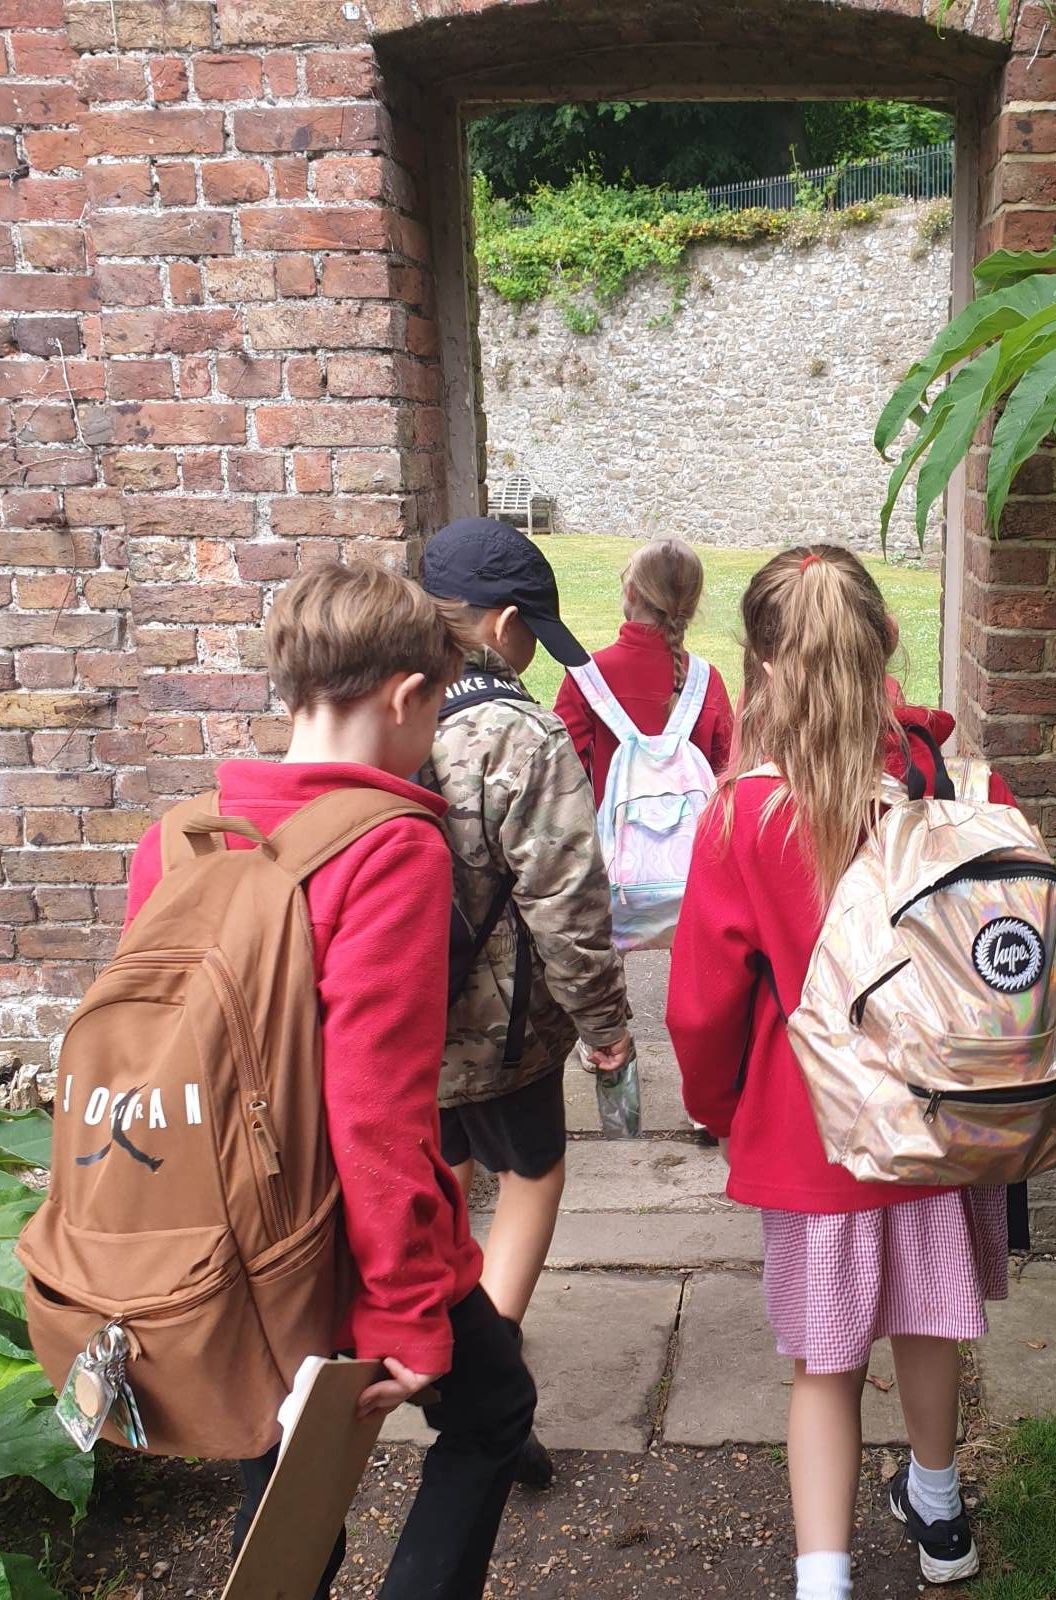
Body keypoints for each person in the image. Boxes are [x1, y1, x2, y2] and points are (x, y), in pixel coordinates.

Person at [122, 561, 537, 1600]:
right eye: (436, 703)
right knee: (488, 1414)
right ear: (405, 695)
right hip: (352, 1238)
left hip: (226, 1235)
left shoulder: (183, 837)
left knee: (285, 1465)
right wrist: (406, 1308)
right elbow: (375, 1107)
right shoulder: (389, 845)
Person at [666, 545, 1012, 1600]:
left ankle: (824, 1581)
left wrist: (717, 1107)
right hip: (938, 1113)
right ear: (884, 653)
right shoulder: (926, 782)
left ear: (759, 666)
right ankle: (938, 1519)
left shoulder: (744, 816)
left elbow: (700, 1004)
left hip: (812, 1130)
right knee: (927, 1321)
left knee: (824, 1362)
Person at [418, 517, 634, 1488]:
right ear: (503, 624)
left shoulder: (384, 698)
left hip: (397, 1022)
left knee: (445, 1177)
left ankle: (436, 1333)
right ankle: (483, 1385)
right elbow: (569, 905)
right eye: (531, 637)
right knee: (533, 1178)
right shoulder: (521, 734)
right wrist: (607, 1030)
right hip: (499, 1035)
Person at [553, 536, 734, 806]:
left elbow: (560, 776)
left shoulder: (588, 677)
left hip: (610, 845)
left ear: (631, 593)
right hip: (692, 844)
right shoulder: (707, 681)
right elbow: (727, 774)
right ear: (692, 607)